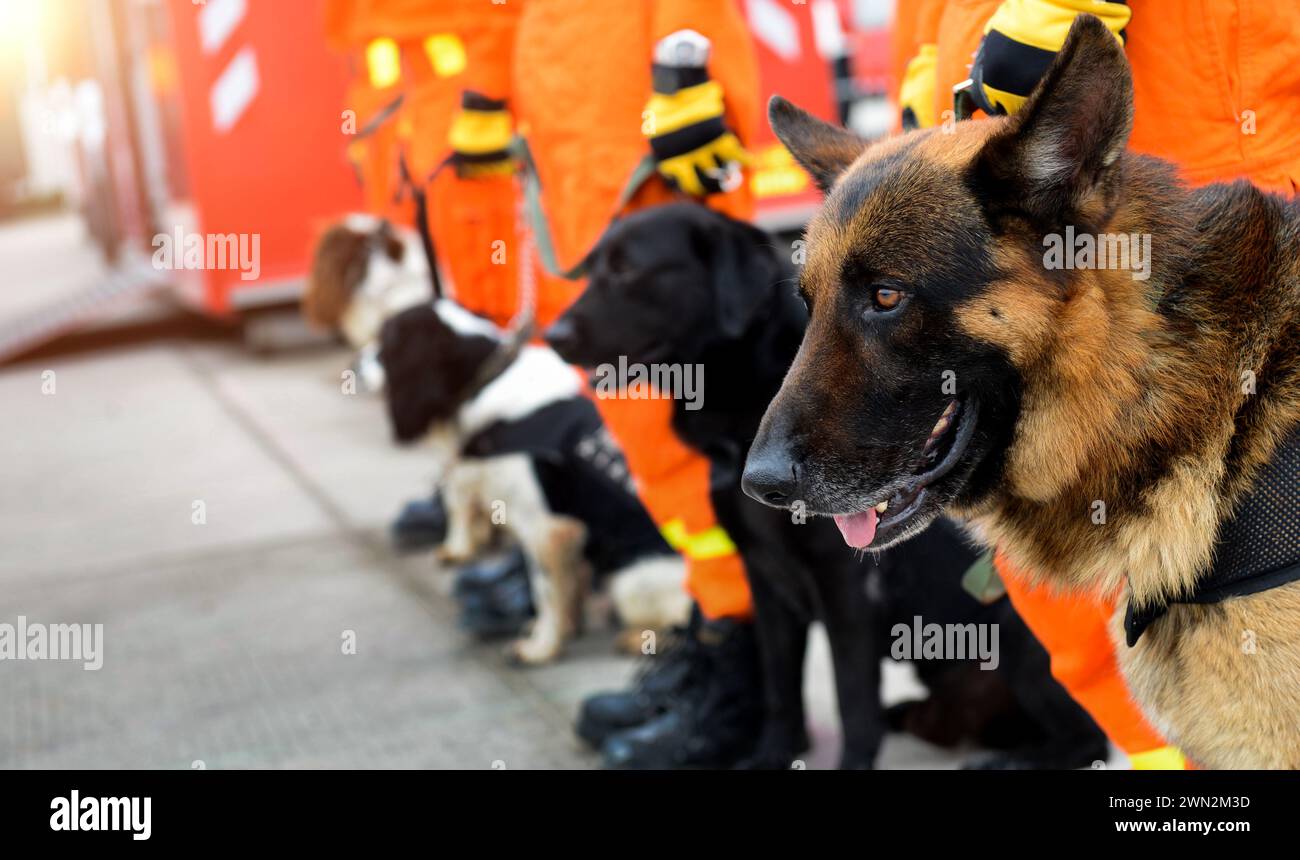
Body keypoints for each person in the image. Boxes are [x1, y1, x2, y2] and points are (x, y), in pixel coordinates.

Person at [895, 0, 1300, 769]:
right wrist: (929, 55)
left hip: (1169, 115)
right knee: (1060, 553)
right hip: (1004, 90)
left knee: (1247, 616)